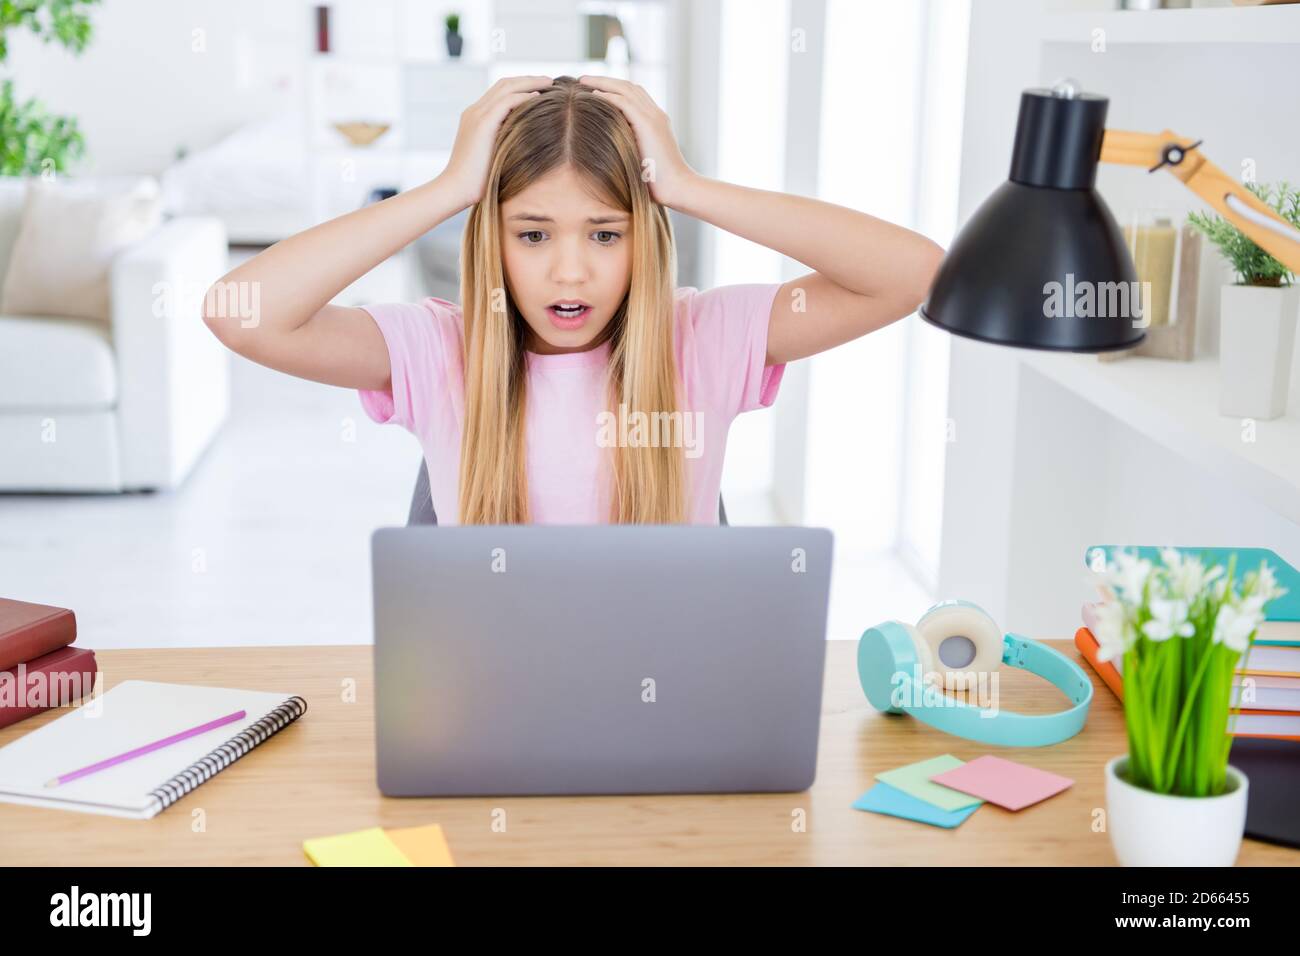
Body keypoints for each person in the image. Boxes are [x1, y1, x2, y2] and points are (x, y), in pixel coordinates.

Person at [203, 75, 944, 525]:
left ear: (644, 236)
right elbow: (241, 313)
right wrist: (449, 190)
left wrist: (688, 187)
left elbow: (913, 273)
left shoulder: (704, 340)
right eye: (532, 235)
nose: (569, 274)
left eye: (605, 234)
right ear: (491, 240)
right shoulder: (439, 351)